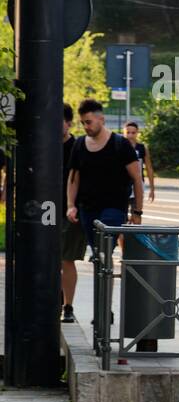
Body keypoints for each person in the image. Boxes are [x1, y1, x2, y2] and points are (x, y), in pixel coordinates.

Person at [67, 99, 143, 257]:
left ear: (101, 119)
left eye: (89, 122)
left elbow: (137, 179)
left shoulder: (120, 144)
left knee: (103, 248)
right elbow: (74, 178)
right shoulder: (79, 144)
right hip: (87, 209)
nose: (86, 127)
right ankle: (103, 278)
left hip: (114, 207)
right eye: (82, 123)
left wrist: (137, 211)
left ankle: (104, 273)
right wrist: (70, 205)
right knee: (97, 252)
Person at [60, 104, 86, 323]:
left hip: (71, 210)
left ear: (69, 123)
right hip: (43, 208)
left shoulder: (77, 146)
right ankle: (56, 299)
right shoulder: (41, 143)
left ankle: (67, 306)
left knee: (67, 259)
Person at [122, 121, 156, 206]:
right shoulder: (119, 147)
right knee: (121, 216)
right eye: (128, 132)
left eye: (133, 133)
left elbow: (149, 168)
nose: (130, 135)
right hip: (122, 186)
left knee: (137, 213)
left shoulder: (142, 148)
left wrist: (152, 189)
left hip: (137, 186)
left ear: (137, 133)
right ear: (124, 133)